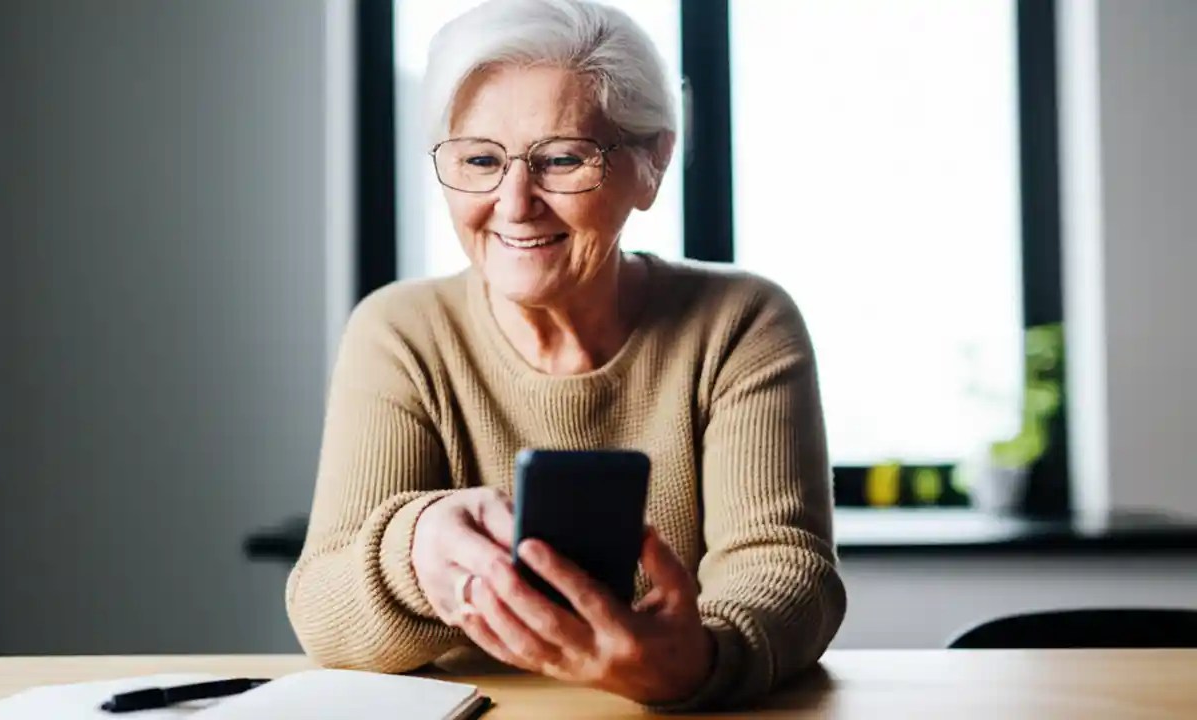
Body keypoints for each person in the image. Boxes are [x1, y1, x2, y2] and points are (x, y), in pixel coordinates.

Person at [286, 0, 845, 710]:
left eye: (561, 159)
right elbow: (323, 618)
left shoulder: (740, 322)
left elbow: (786, 567)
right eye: (481, 160)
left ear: (652, 163)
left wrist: (700, 658)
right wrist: (415, 549)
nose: (515, 203)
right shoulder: (400, 330)